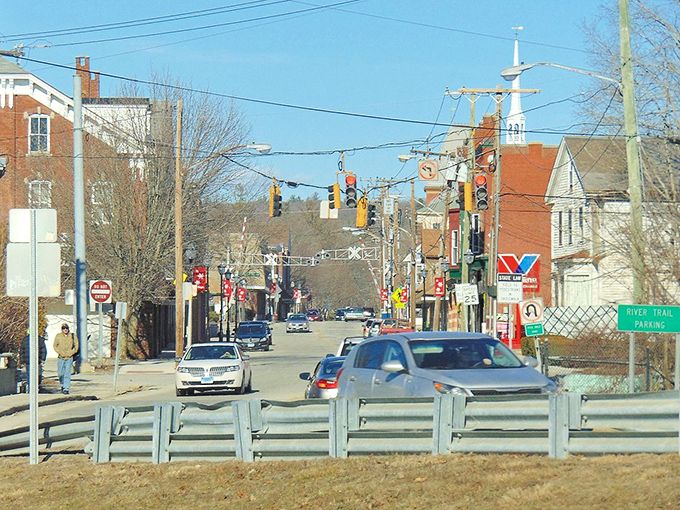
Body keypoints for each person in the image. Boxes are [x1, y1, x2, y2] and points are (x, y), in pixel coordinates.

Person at [53, 323, 79, 394]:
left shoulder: (72, 336)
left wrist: (71, 352)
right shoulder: (58, 336)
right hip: (61, 357)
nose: (65, 330)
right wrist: (60, 352)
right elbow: (55, 346)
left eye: (66, 328)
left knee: (67, 373)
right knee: (60, 373)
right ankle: (62, 384)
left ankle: (66, 388)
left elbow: (76, 346)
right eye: (64, 329)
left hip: (69, 357)